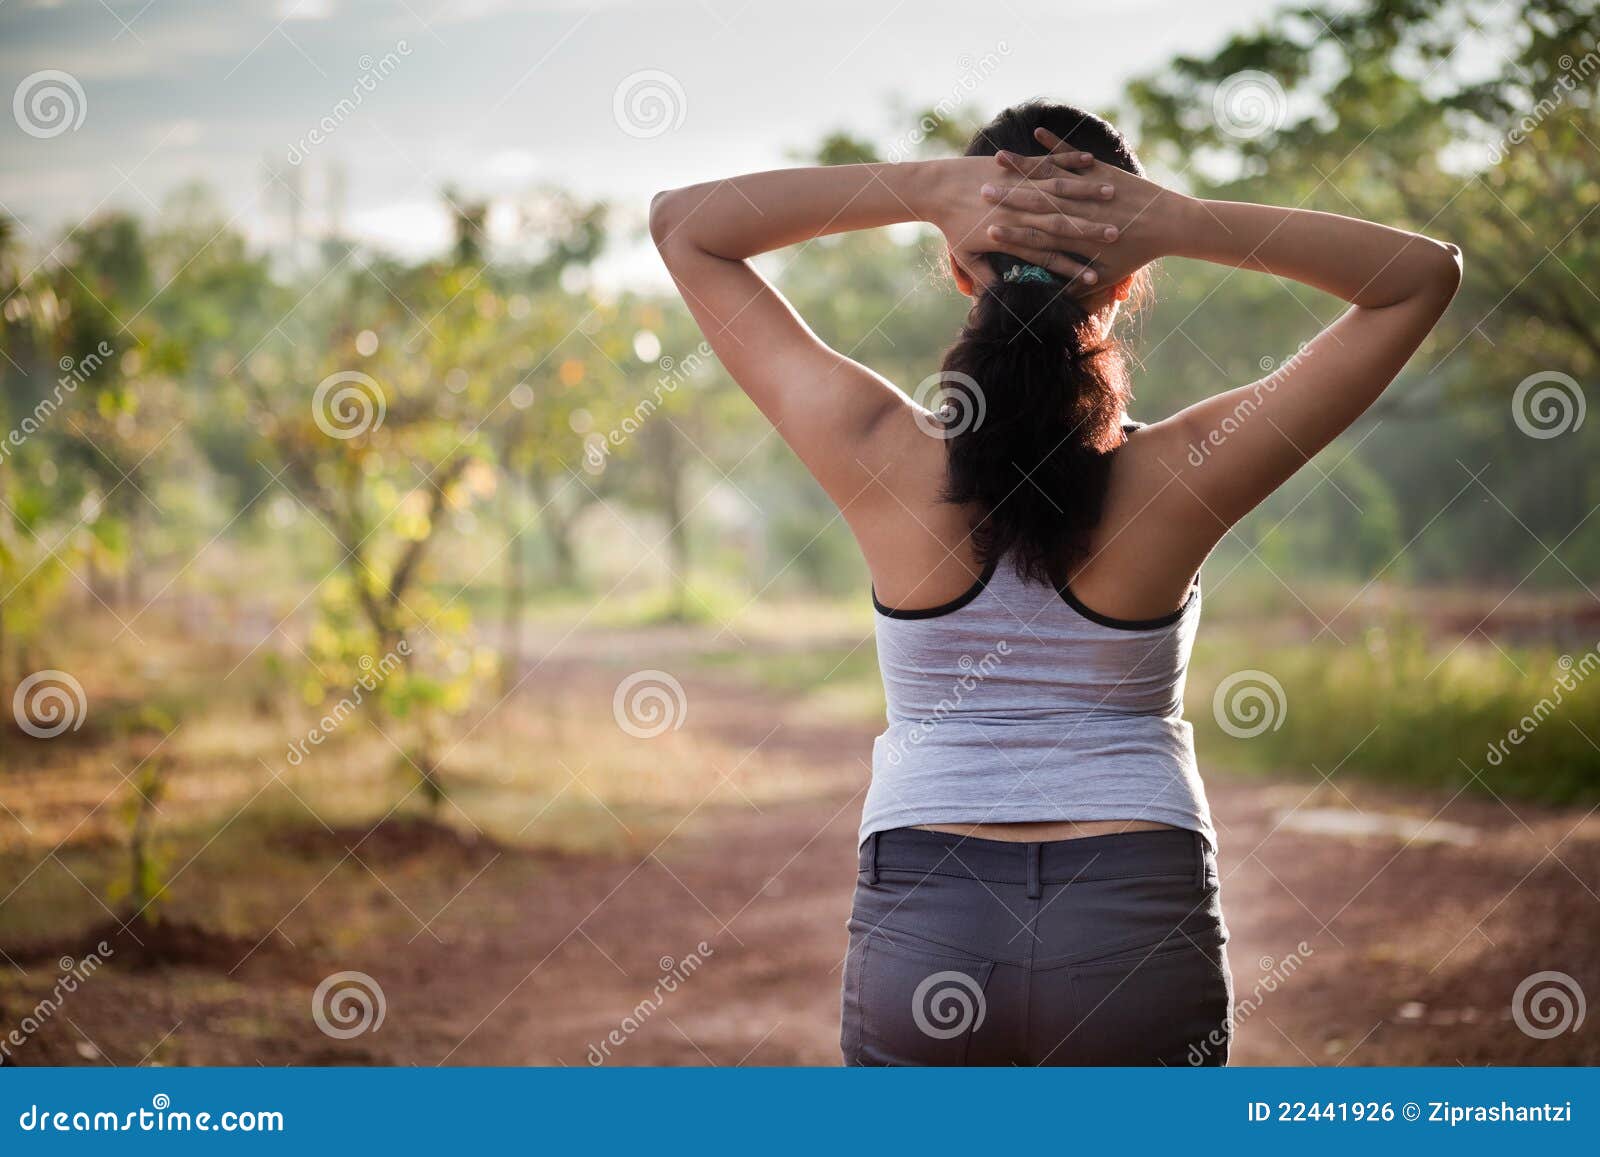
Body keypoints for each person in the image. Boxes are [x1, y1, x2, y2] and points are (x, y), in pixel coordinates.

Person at [649, 100, 1461, 1065]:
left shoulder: (869, 446)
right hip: (1134, 921)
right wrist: (1179, 220)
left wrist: (924, 190)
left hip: (929, 916)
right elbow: (1420, 279)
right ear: (1125, 285)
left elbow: (683, 225)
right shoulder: (1194, 467)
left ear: (960, 268)